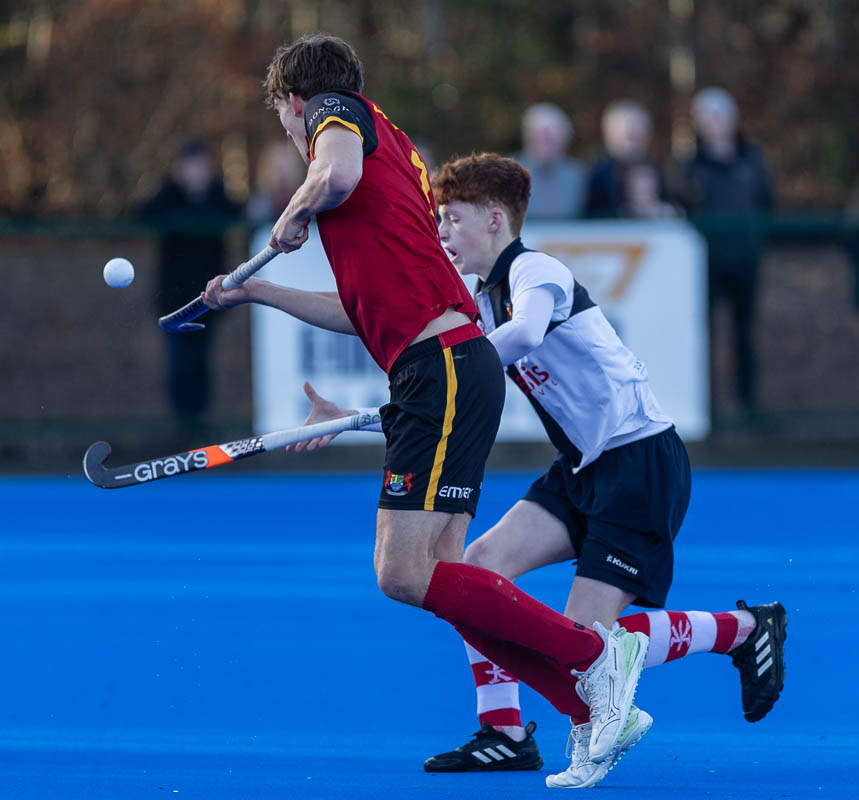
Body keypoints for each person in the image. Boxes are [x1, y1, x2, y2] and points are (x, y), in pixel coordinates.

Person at [201, 34, 651, 781]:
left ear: (293, 101)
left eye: (286, 119)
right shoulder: (386, 150)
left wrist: (297, 206)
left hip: (439, 368)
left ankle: (597, 654)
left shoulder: (337, 119)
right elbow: (360, 308)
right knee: (447, 582)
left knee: (400, 572)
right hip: (448, 365)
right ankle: (586, 706)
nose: (292, 133)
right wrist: (257, 290)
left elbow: (333, 172)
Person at [295, 153, 787, 789]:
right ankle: (504, 733)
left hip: (639, 464)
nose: (442, 233)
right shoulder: (476, 297)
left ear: (496, 219)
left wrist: (447, 374)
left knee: (581, 643)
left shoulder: (535, 271)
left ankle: (746, 629)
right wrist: (354, 416)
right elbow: (434, 382)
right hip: (579, 469)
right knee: (468, 575)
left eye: (453, 219)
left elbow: (520, 338)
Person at [681, 87, 774, 420]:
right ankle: (706, 408)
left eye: (722, 115)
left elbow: (767, 202)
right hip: (705, 264)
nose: (717, 123)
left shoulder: (753, 159)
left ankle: (748, 405)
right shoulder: (690, 165)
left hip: (746, 260)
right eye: (709, 117)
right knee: (702, 333)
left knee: (745, 332)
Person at [139, 140, 242, 427]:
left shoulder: (219, 196)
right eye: (190, 165)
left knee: (200, 362)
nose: (196, 171)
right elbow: (143, 213)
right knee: (178, 363)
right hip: (173, 300)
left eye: (201, 165)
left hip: (209, 300)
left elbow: (237, 213)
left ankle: (199, 424)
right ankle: (181, 424)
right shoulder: (168, 195)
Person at [585, 100, 674, 219]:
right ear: (609, 135)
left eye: (637, 135)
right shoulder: (596, 175)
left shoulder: (659, 171)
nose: (630, 142)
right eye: (627, 135)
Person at [509, 103, 587, 219]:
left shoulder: (579, 175)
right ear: (527, 136)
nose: (545, 142)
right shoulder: (507, 172)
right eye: (539, 135)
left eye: (551, 137)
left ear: (565, 140)